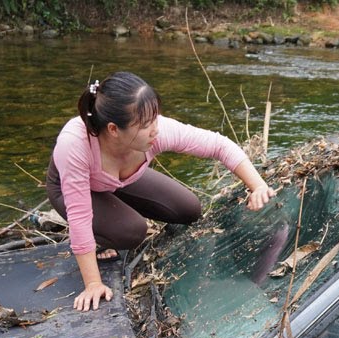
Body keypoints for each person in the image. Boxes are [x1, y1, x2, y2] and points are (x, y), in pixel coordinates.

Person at [47, 71, 276, 311]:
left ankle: (112, 210)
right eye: (146, 125)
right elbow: (80, 218)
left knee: (189, 209)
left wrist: (257, 185)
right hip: (69, 188)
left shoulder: (156, 131)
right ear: (114, 129)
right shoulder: (74, 145)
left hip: (120, 181)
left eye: (155, 118)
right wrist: (93, 283)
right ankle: (105, 237)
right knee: (132, 232)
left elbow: (219, 145)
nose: (155, 129)